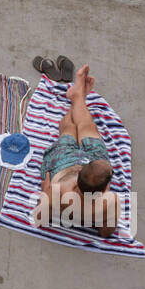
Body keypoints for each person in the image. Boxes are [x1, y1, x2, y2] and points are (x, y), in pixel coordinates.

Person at [34, 64, 119, 237]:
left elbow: (39, 218)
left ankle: (77, 97)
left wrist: (45, 192)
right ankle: (79, 97)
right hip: (79, 171)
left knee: (69, 129)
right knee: (88, 128)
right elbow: (106, 232)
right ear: (104, 189)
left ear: (80, 171)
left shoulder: (59, 191)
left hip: (63, 165)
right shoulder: (109, 202)